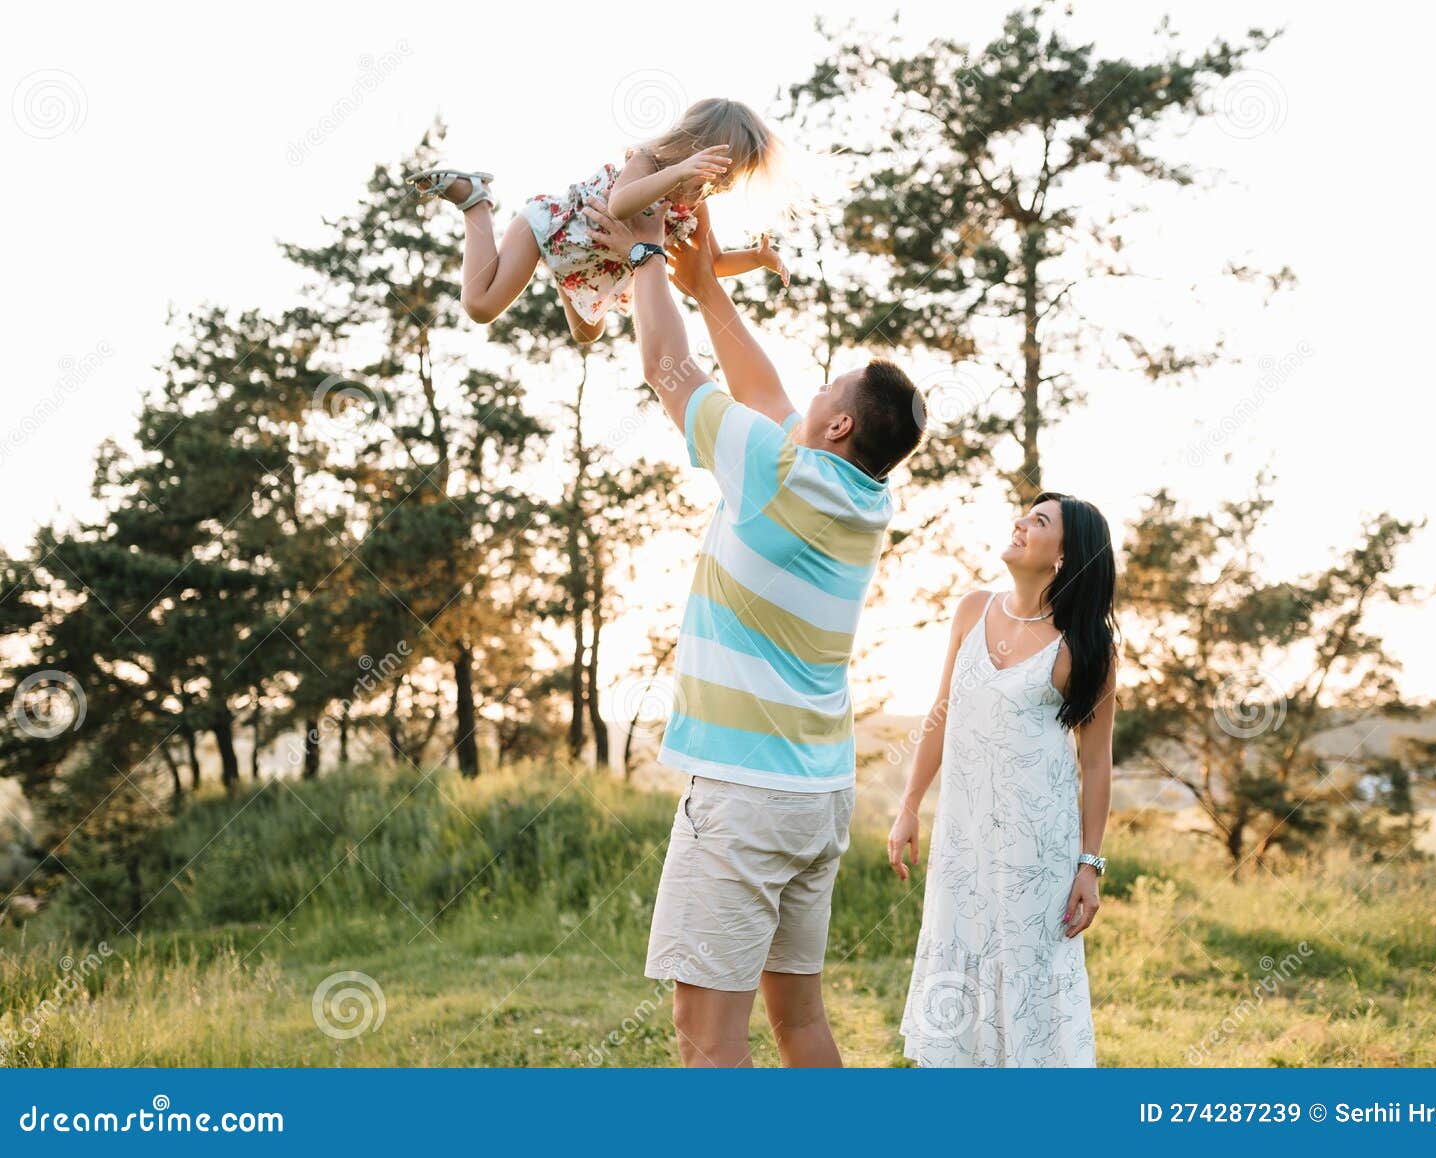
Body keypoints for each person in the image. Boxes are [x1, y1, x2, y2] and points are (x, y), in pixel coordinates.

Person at [580, 197, 924, 1067]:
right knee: (799, 1021)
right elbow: (766, 395)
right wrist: (706, 287)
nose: (807, 395)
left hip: (742, 797)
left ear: (837, 425)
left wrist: (648, 257)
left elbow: (666, 366)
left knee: (704, 1044)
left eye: (828, 391)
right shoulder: (861, 497)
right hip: (816, 797)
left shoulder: (776, 472)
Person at [888, 493, 1118, 1067]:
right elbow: (940, 712)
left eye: (1039, 522)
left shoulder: (1085, 649)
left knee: (1028, 976)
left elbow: (1095, 763)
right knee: (959, 961)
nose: (1019, 523)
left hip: (1037, 852)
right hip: (964, 840)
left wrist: (1091, 864)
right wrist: (910, 804)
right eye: (1024, 514)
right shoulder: (971, 610)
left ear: (1064, 557)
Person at [405, 97, 790, 343]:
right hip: (545, 229)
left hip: (586, 266)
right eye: (717, 172)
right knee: (480, 306)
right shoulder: (648, 163)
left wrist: (756, 258)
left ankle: (559, 269)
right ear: (694, 149)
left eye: (730, 180)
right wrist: (677, 173)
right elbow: (621, 204)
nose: (720, 186)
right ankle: (476, 201)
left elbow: (713, 264)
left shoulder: (694, 206)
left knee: (589, 334)